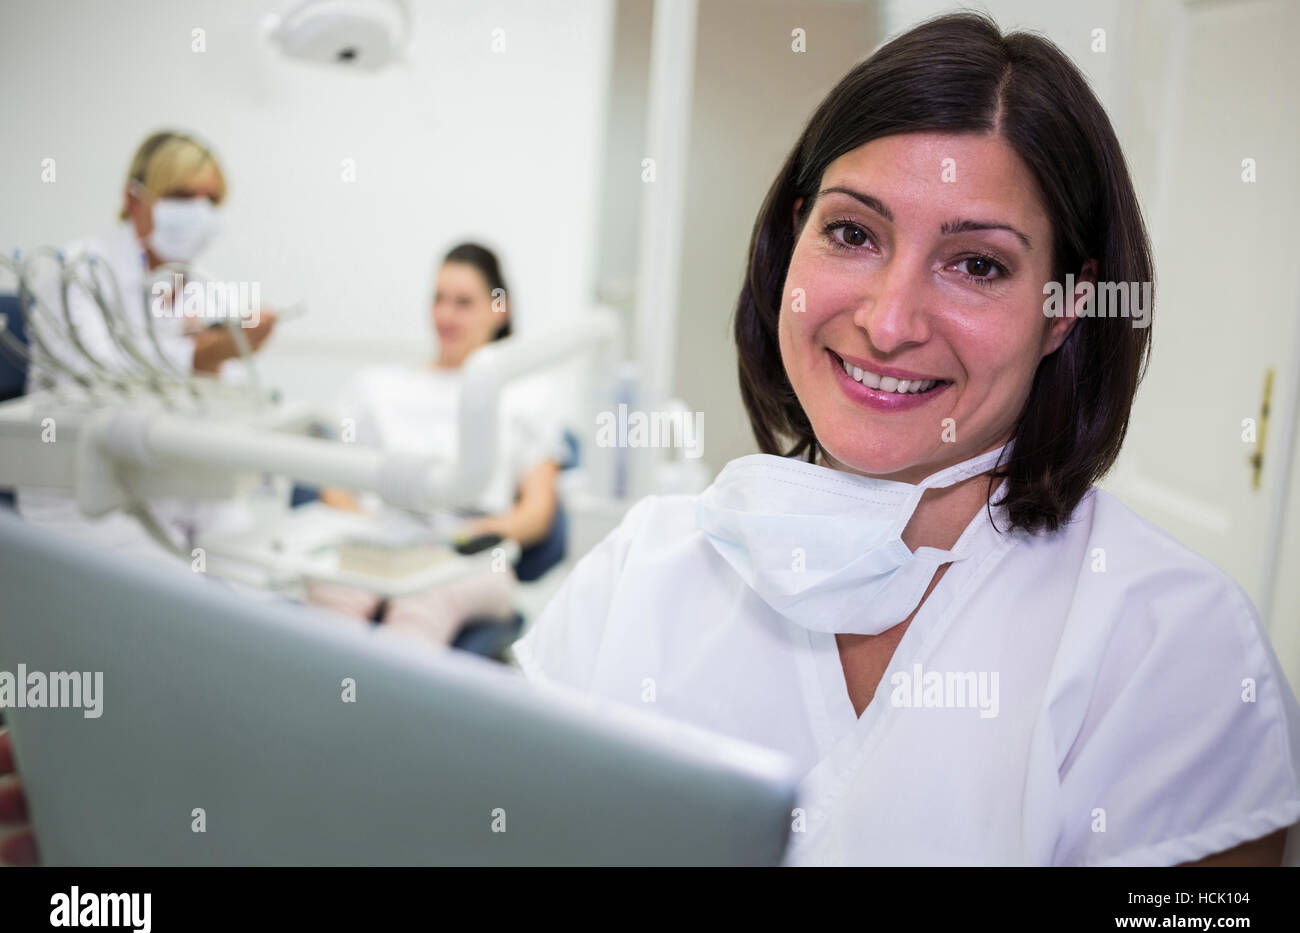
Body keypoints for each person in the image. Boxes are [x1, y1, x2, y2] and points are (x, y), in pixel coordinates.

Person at [508, 13, 1300, 865]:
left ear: (1067, 306)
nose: (888, 324)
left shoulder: (1172, 642)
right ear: (795, 235)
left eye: (978, 264)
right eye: (853, 234)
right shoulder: (640, 574)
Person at [16, 130, 277, 564]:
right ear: (134, 199)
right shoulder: (74, 271)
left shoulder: (206, 289)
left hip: (184, 489)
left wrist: (220, 361)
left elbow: (227, 405)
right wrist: (201, 355)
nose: (199, 212)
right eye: (181, 195)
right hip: (87, 497)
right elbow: (101, 377)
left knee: (266, 581)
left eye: (211, 200)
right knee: (185, 600)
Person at [305, 242, 566, 647]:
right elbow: (333, 485)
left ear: (500, 309)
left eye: (463, 303)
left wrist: (468, 536)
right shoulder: (380, 389)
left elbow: (537, 512)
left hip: (469, 555)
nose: (446, 315)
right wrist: (379, 536)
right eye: (439, 300)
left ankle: (388, 707)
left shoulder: (526, 397)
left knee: (421, 605)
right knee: (333, 596)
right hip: (380, 539)